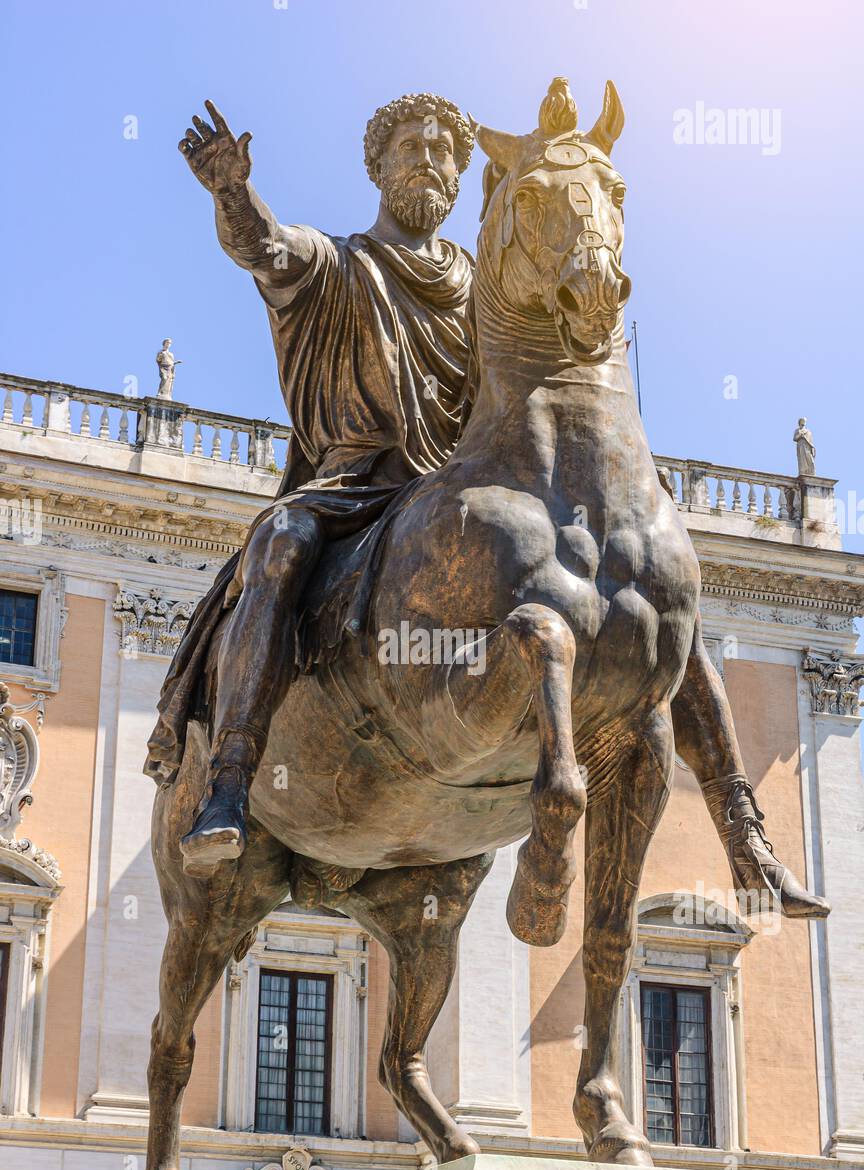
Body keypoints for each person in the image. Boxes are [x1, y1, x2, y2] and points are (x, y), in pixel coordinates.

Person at [146, 95, 827, 920]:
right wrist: (232, 192)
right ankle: (229, 777)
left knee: (648, 591)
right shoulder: (341, 263)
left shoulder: (484, 285)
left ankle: (742, 822)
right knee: (280, 543)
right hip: (360, 486)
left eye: (446, 151)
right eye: (411, 145)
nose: (430, 159)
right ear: (378, 165)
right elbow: (266, 249)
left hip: (478, 494)